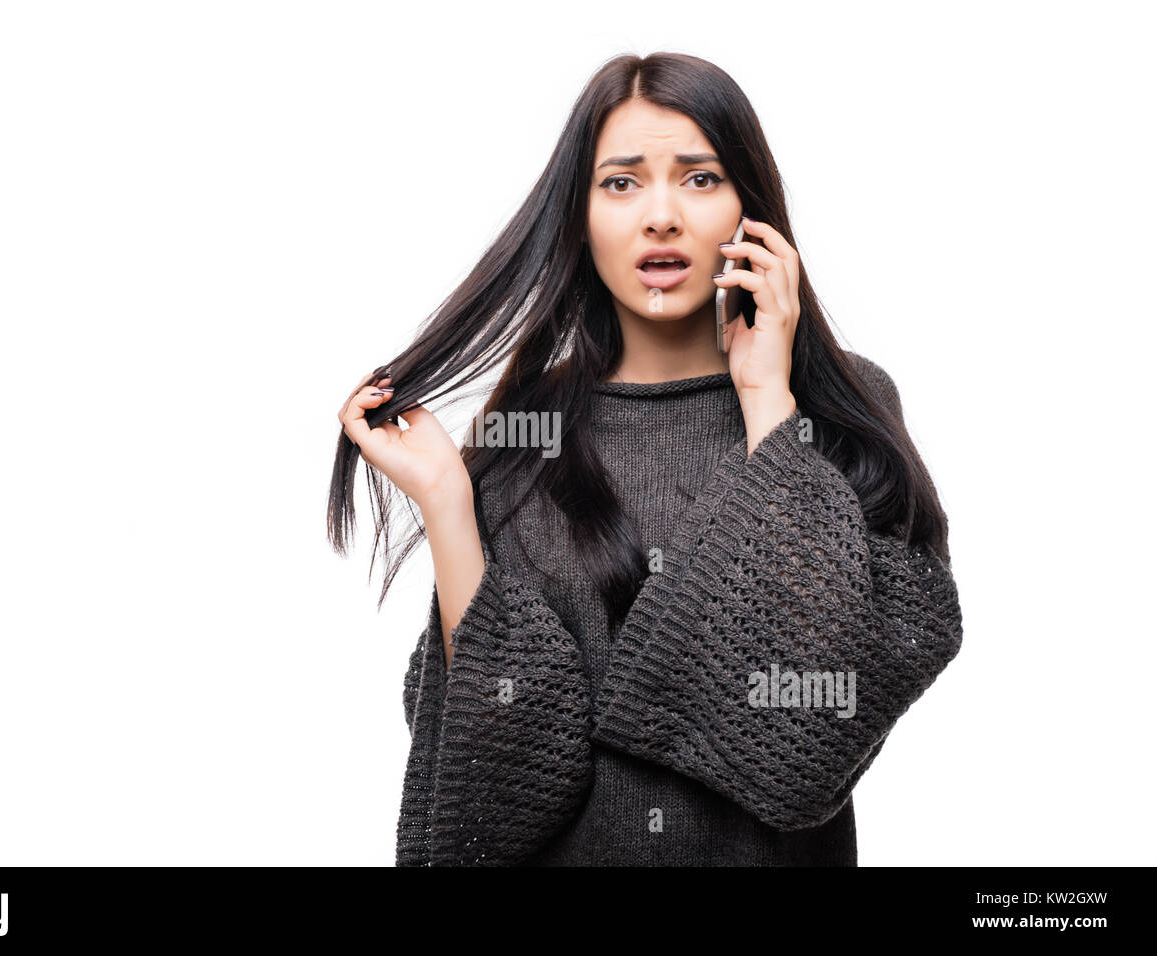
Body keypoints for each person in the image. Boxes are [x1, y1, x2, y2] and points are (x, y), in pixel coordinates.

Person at [327, 51, 963, 866]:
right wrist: (451, 507)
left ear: (751, 210)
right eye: (622, 183)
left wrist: (769, 400)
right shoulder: (523, 440)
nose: (661, 216)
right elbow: (488, 789)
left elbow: (814, 727)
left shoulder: (841, 410)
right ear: (581, 215)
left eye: (699, 179)